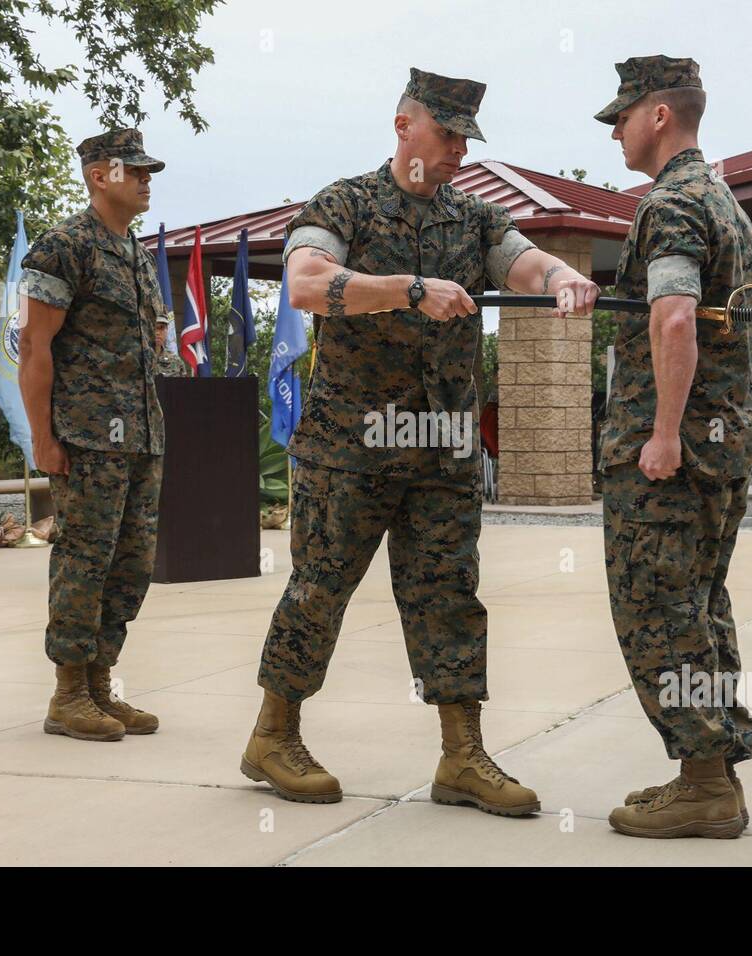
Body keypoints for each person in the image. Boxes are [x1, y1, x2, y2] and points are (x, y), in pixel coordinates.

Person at [242, 68, 600, 816]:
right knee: (320, 592)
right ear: (404, 125)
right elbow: (306, 283)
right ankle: (273, 736)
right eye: (448, 134)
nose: (459, 150)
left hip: (442, 448)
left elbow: (523, 259)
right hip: (350, 447)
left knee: (449, 599)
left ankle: (461, 756)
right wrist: (407, 287)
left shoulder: (472, 218)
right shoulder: (344, 203)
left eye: (467, 137)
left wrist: (562, 276)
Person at [595, 56, 752, 838]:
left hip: (677, 454)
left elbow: (675, 318)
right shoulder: (723, 200)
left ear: (659, 114)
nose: (616, 130)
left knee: (658, 609)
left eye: (622, 115)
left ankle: (703, 781)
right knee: (700, 605)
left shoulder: (672, 203)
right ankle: (713, 770)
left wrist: (661, 434)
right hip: (723, 447)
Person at [18, 128, 171, 742]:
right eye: (132, 170)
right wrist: (43, 437)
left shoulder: (135, 253)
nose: (145, 179)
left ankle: (102, 686)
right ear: (96, 175)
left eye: (147, 170)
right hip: (86, 438)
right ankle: (69, 694)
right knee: (85, 559)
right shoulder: (64, 248)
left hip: (139, 437)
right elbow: (34, 346)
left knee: (131, 566)